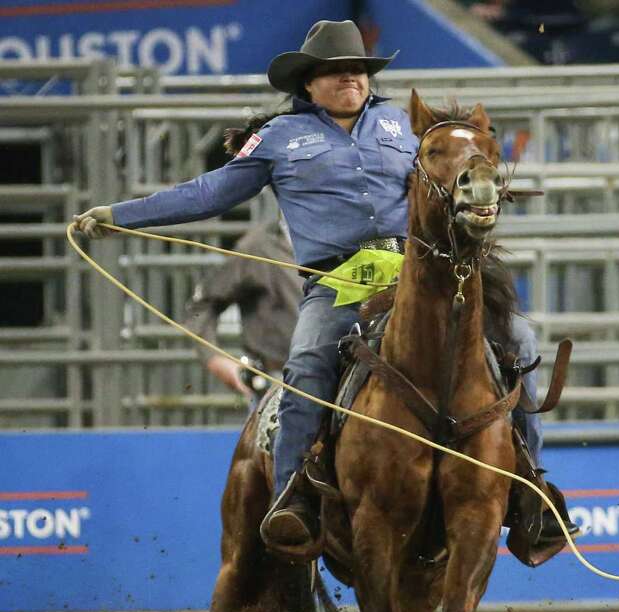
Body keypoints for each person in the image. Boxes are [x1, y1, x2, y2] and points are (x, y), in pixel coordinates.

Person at [75, 20, 565, 551]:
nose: (349, 79)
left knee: (518, 338)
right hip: (338, 283)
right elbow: (208, 193)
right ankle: (293, 497)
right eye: (334, 71)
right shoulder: (279, 137)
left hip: (417, 275)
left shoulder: (404, 128)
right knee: (308, 360)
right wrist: (121, 215)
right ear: (308, 83)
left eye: (356, 70)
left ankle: (529, 486)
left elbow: (447, 184)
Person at [184, 215, 301, 404]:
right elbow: (202, 305)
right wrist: (215, 359)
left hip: (342, 376)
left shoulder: (351, 239)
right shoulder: (256, 247)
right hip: (277, 383)